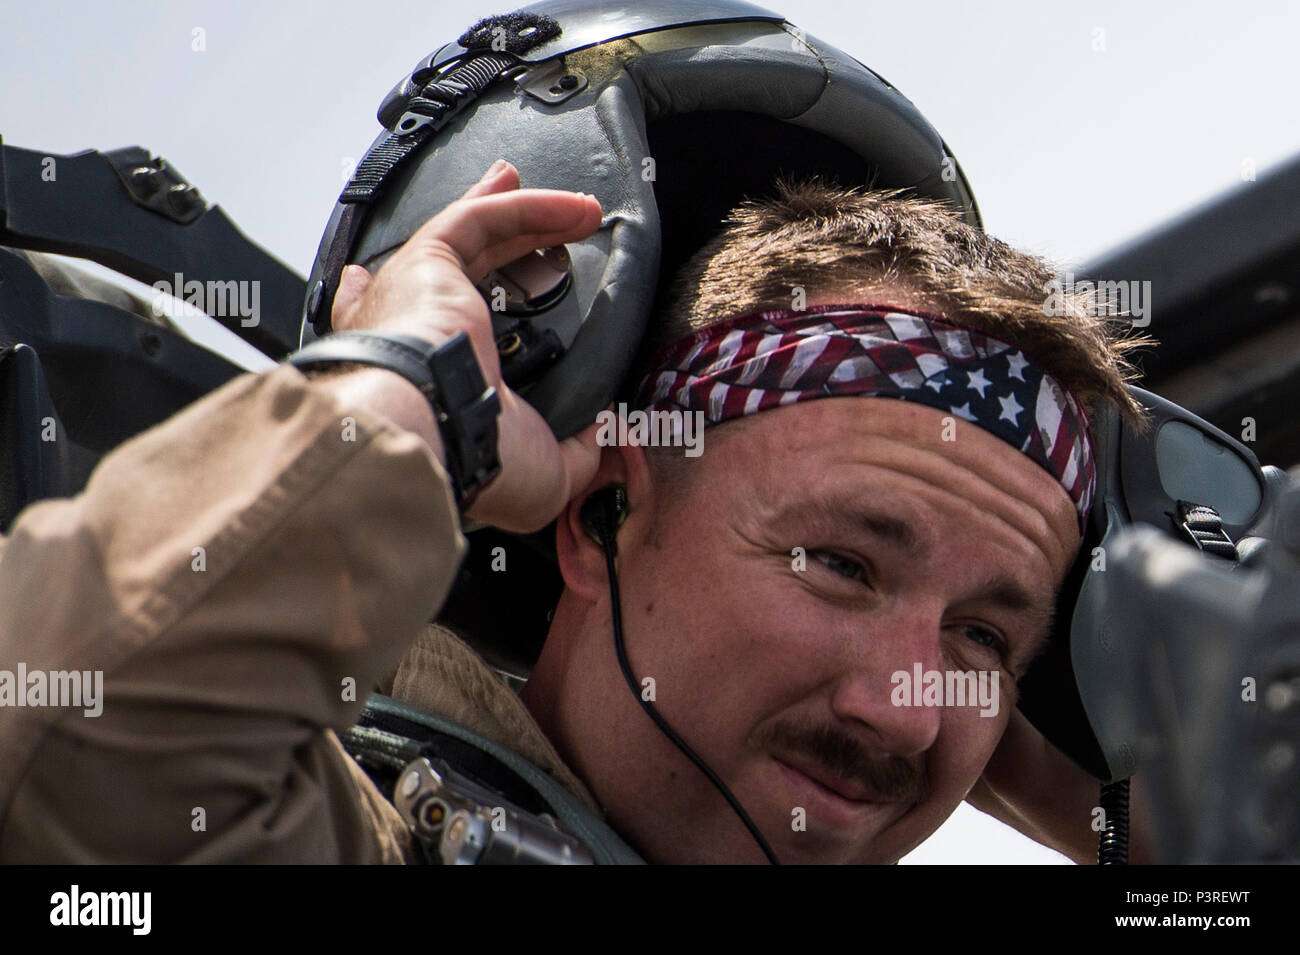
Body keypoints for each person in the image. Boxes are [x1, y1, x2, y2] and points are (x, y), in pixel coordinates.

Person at [0, 159, 1150, 864]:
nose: (905, 713)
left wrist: (1128, 824)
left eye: (983, 637)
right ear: (602, 514)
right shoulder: (348, 831)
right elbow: (70, 736)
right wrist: (411, 393)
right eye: (840, 564)